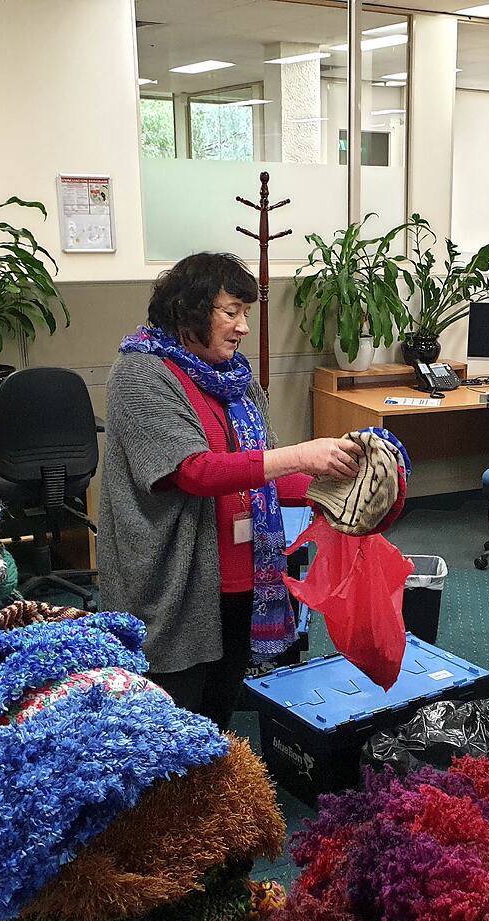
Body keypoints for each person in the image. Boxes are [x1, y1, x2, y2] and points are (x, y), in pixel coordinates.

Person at [98, 252, 360, 728]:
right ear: (188, 311)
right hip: (177, 577)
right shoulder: (142, 374)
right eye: (230, 312)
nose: (242, 327)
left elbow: (266, 471)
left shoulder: (236, 379)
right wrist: (302, 454)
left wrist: (341, 489)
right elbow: (194, 472)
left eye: (246, 313)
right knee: (169, 713)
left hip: (242, 574)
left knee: (220, 700)